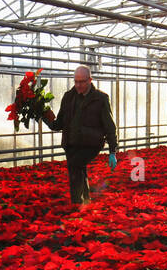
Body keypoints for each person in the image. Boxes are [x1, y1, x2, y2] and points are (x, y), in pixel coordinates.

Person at [43, 65, 119, 205]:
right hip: (71, 143)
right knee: (78, 170)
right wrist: (44, 114)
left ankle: (77, 203)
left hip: (91, 143)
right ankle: (86, 200)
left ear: (90, 80)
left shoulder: (100, 99)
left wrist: (112, 150)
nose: (78, 85)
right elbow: (59, 123)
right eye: (76, 81)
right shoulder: (68, 97)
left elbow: (109, 125)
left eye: (82, 82)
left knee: (75, 167)